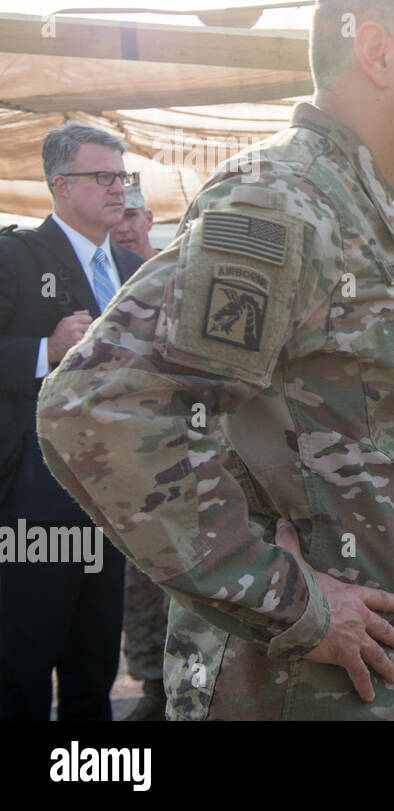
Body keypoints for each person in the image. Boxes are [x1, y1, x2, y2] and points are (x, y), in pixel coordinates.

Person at [34, 0, 394, 720]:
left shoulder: (354, 207)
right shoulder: (284, 202)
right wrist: (287, 596)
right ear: (375, 50)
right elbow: (101, 406)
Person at [0, 122, 144, 720]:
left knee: (94, 664)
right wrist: (44, 349)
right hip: (36, 497)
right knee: (24, 663)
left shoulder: (138, 267)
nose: (119, 188)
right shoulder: (14, 256)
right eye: (103, 176)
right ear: (62, 185)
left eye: (122, 175)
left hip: (112, 496)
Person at [106, 180, 171, 720]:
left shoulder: (176, 275)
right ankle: (152, 687)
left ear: (149, 217)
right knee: (136, 585)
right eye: (116, 214)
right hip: (122, 464)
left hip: (180, 455)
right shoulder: (102, 279)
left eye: (132, 214)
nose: (123, 224)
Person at [109, 181, 157, 260]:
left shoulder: (177, 268)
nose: (123, 229)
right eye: (113, 218)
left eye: (130, 215)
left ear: (149, 219)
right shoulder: (96, 270)